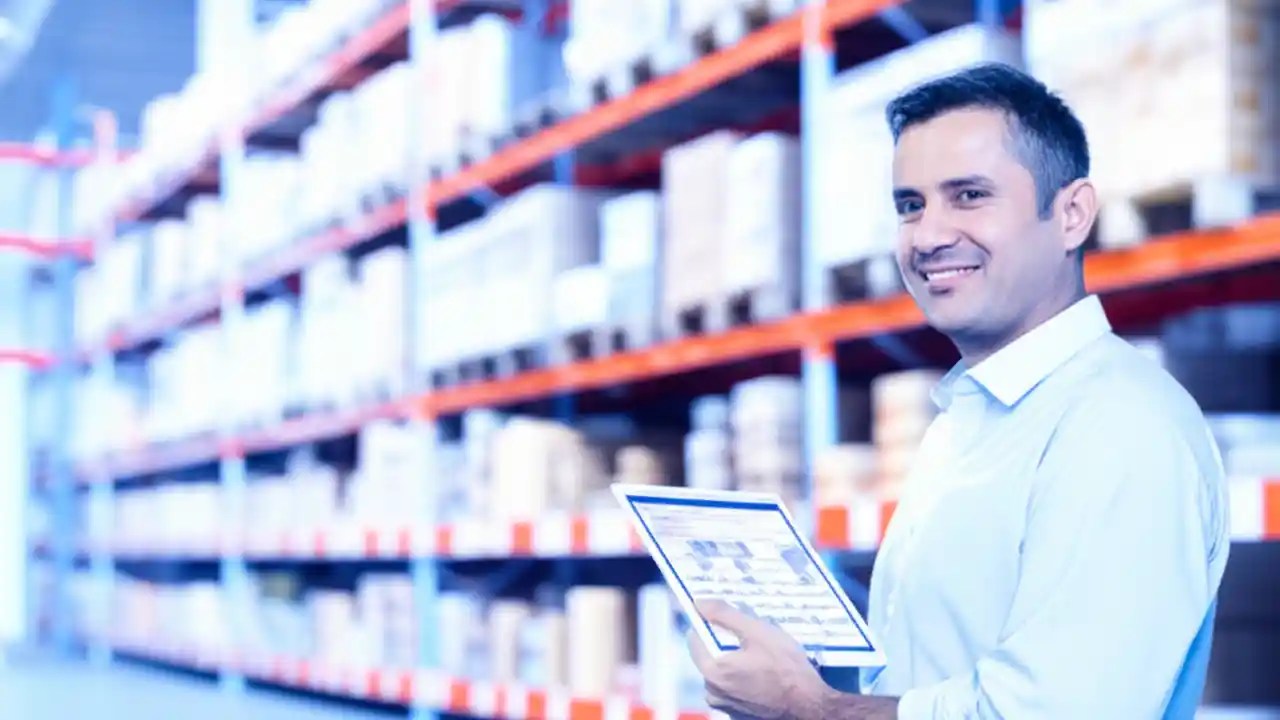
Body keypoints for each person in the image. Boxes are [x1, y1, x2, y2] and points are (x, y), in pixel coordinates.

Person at [686, 62, 1231, 719]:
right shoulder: (968, 422)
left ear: (1071, 215)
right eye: (910, 205)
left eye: (969, 195)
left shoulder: (1120, 425)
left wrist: (810, 705)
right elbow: (934, 668)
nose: (930, 235)